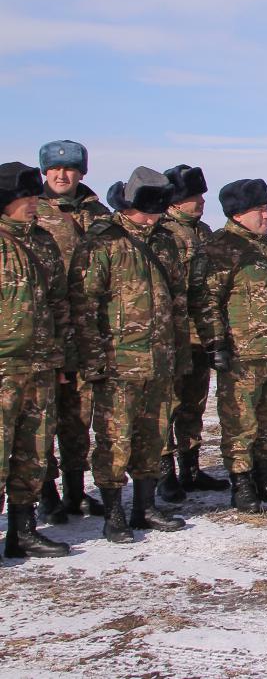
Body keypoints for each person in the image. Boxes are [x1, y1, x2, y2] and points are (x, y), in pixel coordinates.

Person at [69, 167, 187, 542]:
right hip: (118, 361)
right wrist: (93, 360)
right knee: (115, 439)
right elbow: (83, 306)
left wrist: (179, 352)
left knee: (153, 434)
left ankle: (144, 507)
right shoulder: (102, 243)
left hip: (160, 359)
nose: (154, 216)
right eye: (149, 209)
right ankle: (114, 513)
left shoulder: (165, 242)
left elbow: (178, 301)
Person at [191, 179, 267, 512]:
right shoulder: (219, 248)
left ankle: (266, 478)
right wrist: (215, 342)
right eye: (259, 209)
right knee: (240, 422)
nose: (266, 215)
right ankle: (241, 484)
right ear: (238, 213)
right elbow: (207, 300)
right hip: (242, 353)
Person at [35, 139, 111, 522]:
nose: (62, 176)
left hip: (88, 334)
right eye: (54, 170)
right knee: (43, 419)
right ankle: (46, 493)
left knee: (80, 418)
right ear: (44, 173)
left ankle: (77, 492)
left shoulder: (100, 214)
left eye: (70, 169)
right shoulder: (30, 213)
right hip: (45, 335)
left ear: (82, 173)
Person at [0, 162, 71, 559]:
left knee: (34, 449)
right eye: (26, 198)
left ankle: (22, 530)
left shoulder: (42, 241)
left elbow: (59, 301)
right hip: (4, 369)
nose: (33, 204)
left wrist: (60, 357)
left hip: (41, 365)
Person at [156, 164, 228, 503]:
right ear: (174, 200)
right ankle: (164, 473)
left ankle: (192, 468)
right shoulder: (161, 234)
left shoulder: (205, 232)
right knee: (166, 406)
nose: (200, 201)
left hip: (201, 336)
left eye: (200, 195)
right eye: (193, 196)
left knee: (193, 405)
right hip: (171, 337)